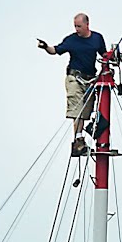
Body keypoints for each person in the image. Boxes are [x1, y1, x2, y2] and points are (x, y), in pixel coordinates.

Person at [38, 13, 108, 157]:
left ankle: (83, 137)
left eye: (79, 26)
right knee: (77, 110)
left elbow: (104, 55)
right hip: (74, 78)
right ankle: (78, 141)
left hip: (90, 80)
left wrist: (111, 60)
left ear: (87, 24)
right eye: (75, 26)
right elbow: (55, 50)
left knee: (86, 112)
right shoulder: (71, 40)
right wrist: (45, 47)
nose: (76, 29)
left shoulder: (97, 38)